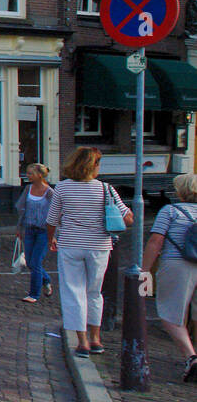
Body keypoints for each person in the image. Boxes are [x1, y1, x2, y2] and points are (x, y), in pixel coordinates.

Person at [46, 147, 133, 358]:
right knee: (94, 292)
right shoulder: (106, 189)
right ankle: (96, 338)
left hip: (70, 245)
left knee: (73, 291)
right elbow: (128, 218)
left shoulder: (62, 188)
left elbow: (51, 220)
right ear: (93, 166)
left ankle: (82, 341)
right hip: (99, 246)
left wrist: (51, 239)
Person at [142, 173, 197, 383]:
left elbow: (155, 242)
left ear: (181, 191)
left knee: (169, 314)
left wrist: (145, 271)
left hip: (178, 264)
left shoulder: (171, 211)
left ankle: (191, 357)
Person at [15, 163, 54, 303]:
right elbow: (21, 209)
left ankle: (34, 294)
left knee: (36, 262)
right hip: (29, 229)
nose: (28, 175)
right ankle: (46, 280)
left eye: (31, 173)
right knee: (30, 262)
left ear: (39, 175)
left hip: (43, 231)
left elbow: (56, 214)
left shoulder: (49, 193)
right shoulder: (27, 189)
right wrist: (19, 228)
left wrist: (53, 235)